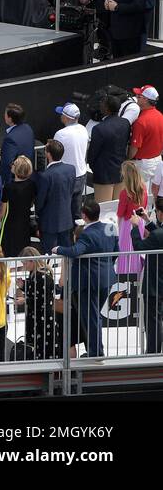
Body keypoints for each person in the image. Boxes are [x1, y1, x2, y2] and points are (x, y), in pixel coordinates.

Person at [53, 200, 116, 358]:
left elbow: (75, 251)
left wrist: (58, 249)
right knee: (95, 316)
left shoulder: (87, 233)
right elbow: (116, 251)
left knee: (92, 318)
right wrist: (106, 267)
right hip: (106, 279)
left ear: (84, 216)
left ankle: (96, 353)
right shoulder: (110, 229)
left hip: (89, 282)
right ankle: (96, 351)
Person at [129, 199, 163, 354]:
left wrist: (136, 226)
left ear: (160, 213)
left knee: (153, 321)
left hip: (155, 285)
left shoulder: (157, 235)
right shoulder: (158, 233)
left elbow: (139, 247)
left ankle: (152, 352)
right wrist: (147, 221)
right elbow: (158, 235)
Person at [16, 248, 61, 360]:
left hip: (43, 319)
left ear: (32, 261)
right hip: (37, 317)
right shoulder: (35, 274)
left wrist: (25, 300)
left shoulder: (42, 276)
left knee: (44, 347)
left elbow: (41, 300)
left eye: (25, 263)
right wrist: (23, 285)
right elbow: (35, 291)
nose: (24, 266)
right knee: (38, 346)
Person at [35, 139, 77, 252]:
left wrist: (37, 214)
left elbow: (40, 201)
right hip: (66, 220)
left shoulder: (46, 176)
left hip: (49, 223)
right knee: (66, 256)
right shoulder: (71, 169)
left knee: (48, 255)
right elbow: (71, 191)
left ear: (48, 154)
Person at [88, 95, 132, 202]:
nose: (100, 107)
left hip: (103, 174)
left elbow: (92, 154)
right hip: (120, 171)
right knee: (118, 206)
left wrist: (95, 168)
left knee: (104, 209)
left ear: (107, 109)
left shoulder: (99, 129)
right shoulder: (125, 123)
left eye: (102, 105)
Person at [128, 86, 163, 203]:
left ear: (146, 100)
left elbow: (134, 148)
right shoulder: (160, 116)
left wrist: (127, 159)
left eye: (139, 96)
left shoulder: (141, 122)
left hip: (143, 165)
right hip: (158, 160)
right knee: (154, 196)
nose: (136, 98)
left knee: (139, 198)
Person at [116, 161, 149, 278]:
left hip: (127, 224)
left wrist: (119, 229)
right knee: (137, 250)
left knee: (125, 253)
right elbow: (144, 207)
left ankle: (124, 278)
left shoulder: (125, 193)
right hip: (140, 222)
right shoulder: (144, 189)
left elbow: (120, 213)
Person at [0, 155, 37, 258]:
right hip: (25, 222)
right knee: (23, 251)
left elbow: (3, 209)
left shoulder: (9, 187)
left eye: (14, 164)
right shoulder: (32, 185)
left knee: (9, 252)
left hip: (10, 224)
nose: (11, 165)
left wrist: (1, 218)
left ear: (17, 169)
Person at [54, 102, 91, 192]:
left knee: (65, 204)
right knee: (77, 205)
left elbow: (54, 154)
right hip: (81, 174)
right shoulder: (83, 129)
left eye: (62, 114)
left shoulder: (60, 134)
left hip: (66, 176)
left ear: (66, 117)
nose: (60, 116)